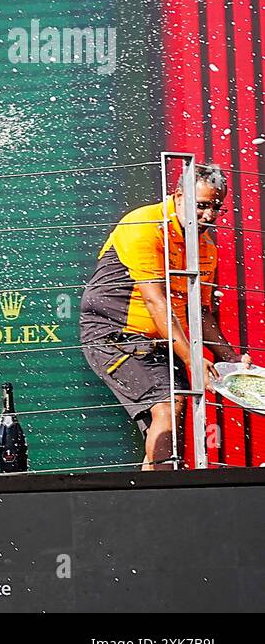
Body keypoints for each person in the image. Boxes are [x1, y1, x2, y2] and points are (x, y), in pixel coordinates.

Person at [80, 164, 247, 470]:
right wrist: (193, 359)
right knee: (170, 403)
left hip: (161, 342)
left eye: (215, 207)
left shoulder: (206, 249)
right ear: (178, 195)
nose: (209, 216)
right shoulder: (143, 224)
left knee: (172, 411)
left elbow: (200, 313)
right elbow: (155, 301)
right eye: (201, 205)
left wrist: (233, 361)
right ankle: (164, 488)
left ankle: (154, 491)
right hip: (113, 336)